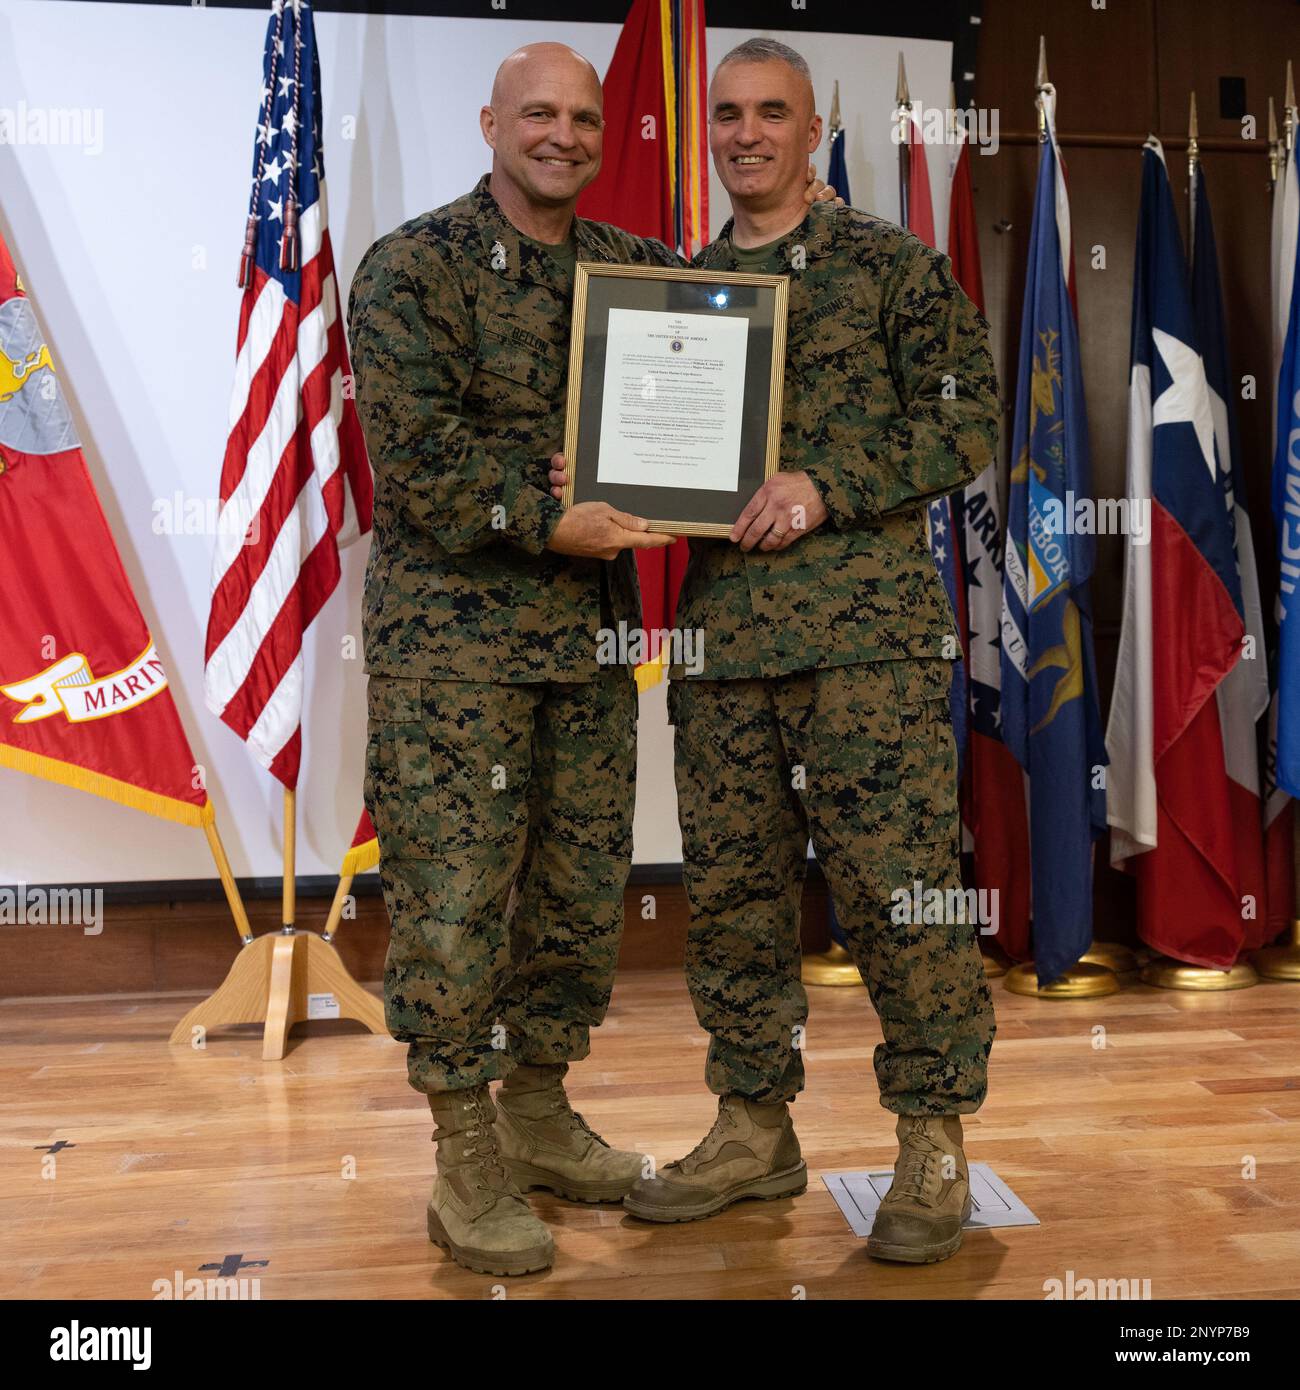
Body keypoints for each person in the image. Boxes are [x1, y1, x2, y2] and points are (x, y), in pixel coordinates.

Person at [348, 41, 836, 1279]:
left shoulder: (640, 275)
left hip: (587, 644)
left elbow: (745, 329)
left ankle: (537, 1109)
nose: (562, 134)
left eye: (582, 117)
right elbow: (410, 460)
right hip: (454, 650)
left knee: (575, 895)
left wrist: (811, 231)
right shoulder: (411, 269)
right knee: (455, 908)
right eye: (538, 114)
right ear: (490, 122)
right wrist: (537, 508)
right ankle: (465, 1153)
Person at [554, 37, 998, 1264]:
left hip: (864, 648)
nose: (746, 133)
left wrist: (827, 482)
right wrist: (597, 479)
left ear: (812, 132)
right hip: (721, 650)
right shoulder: (678, 294)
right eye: (728, 115)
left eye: (771, 114)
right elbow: (643, 458)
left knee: (897, 895)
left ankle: (931, 1137)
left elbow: (971, 414)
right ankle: (753, 1125)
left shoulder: (890, 267)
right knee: (735, 900)